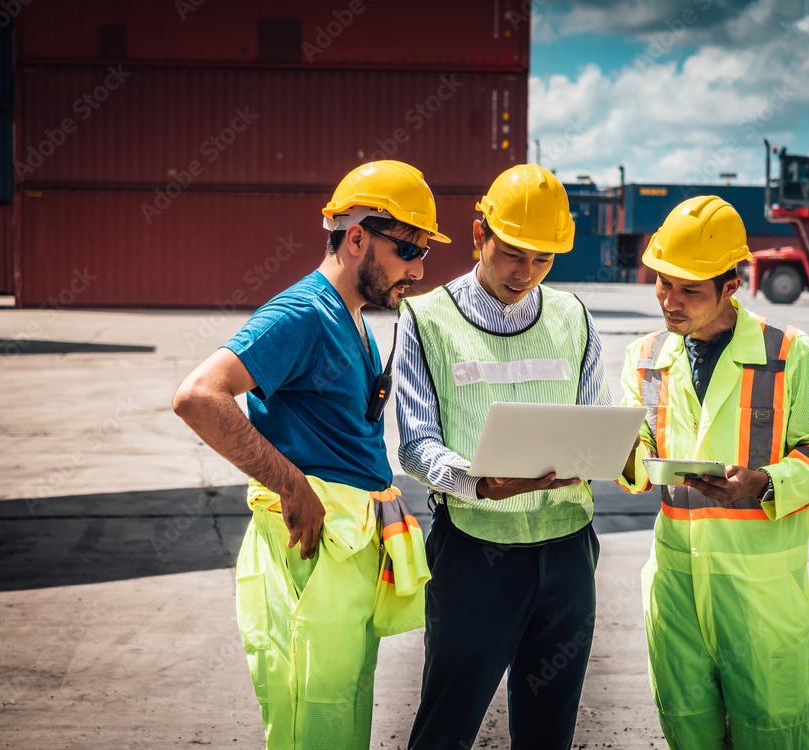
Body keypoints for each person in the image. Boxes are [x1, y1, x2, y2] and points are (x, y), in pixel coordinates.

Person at [172, 160, 449, 750]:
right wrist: (291, 487)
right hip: (311, 557)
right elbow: (198, 396)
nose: (419, 270)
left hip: (342, 557)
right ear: (356, 239)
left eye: (422, 252)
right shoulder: (301, 314)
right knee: (311, 721)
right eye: (406, 250)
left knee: (341, 713)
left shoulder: (351, 317)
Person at [619, 195, 809, 749]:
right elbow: (642, 448)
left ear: (731, 285)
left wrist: (764, 482)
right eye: (662, 282)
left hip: (761, 595)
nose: (669, 301)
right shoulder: (648, 358)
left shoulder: (789, 354)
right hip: (675, 588)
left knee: (771, 732)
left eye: (688, 290)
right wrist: (613, 452)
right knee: (688, 731)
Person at [395, 163, 610, 750]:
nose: (526, 273)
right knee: (445, 727)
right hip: (474, 554)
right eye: (513, 253)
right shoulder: (425, 319)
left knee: (549, 733)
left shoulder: (574, 316)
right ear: (477, 235)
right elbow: (416, 442)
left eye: (543, 259)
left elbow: (599, 419)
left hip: (567, 554)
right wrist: (474, 481)